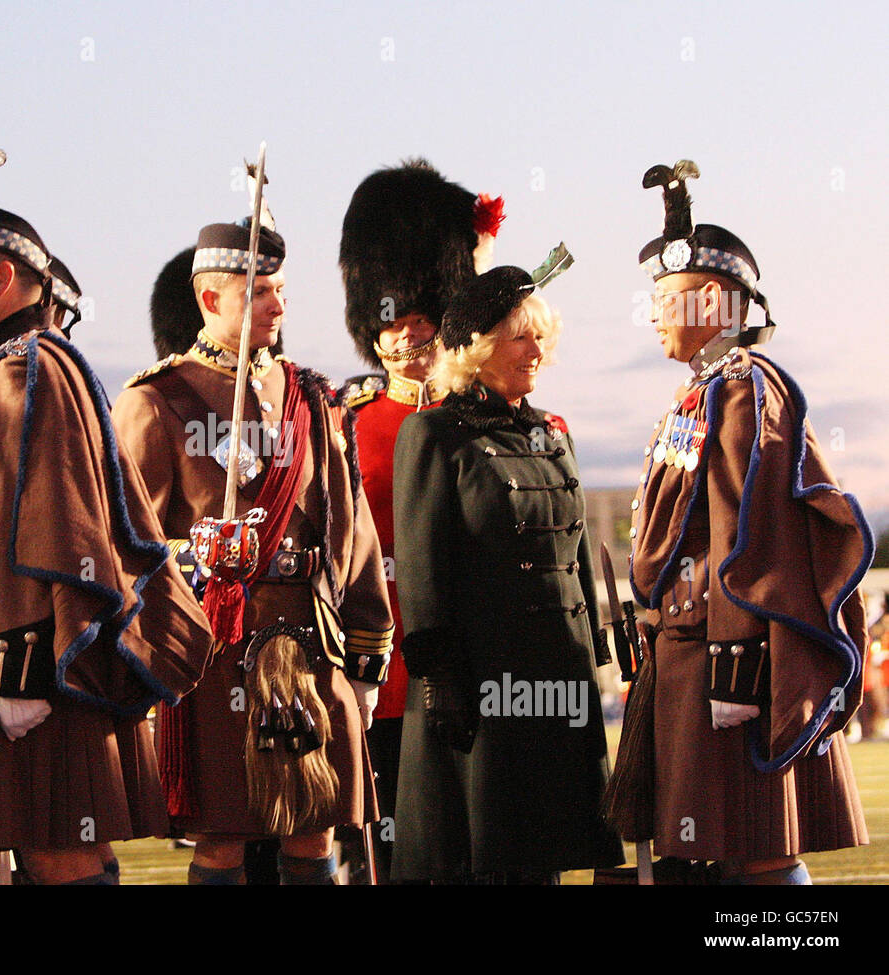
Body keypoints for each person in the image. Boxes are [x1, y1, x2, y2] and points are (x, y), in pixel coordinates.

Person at [0, 149, 211, 885]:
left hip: (35, 662)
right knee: (63, 852)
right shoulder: (20, 366)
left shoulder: (21, 373)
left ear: (1, 279)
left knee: (59, 854)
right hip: (22, 655)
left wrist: (25, 667)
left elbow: (49, 525)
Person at [608, 161, 870, 883]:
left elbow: (751, 531)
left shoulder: (747, 388)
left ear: (716, 301)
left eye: (668, 298)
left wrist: (739, 659)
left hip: (731, 664)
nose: (656, 314)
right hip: (690, 658)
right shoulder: (701, 393)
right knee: (712, 852)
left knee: (759, 848)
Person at [113, 218, 393, 884]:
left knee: (313, 828)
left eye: (281, 288)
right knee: (223, 840)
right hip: (214, 649)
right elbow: (128, 541)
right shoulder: (157, 400)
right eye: (261, 290)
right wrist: (196, 568)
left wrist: (366, 647)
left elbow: (350, 529)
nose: (279, 304)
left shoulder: (311, 397)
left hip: (305, 641)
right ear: (211, 300)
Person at [392, 258, 623, 884]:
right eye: (521, 334)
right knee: (490, 861)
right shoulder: (433, 433)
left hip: (560, 679)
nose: (537, 349)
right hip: (484, 689)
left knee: (546, 858)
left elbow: (574, 557)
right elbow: (420, 568)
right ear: (478, 347)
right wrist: (440, 679)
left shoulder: (553, 435)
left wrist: (594, 653)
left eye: (542, 334)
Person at [336, 159, 503, 877]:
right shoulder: (345, 424)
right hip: (386, 669)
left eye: (422, 319)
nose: (406, 337)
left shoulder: (483, 415)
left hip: (476, 661)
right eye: (391, 322)